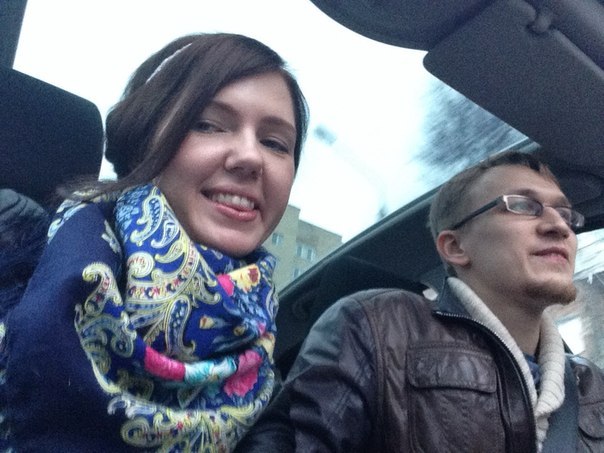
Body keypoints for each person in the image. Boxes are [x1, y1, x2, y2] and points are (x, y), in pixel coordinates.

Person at [3, 32, 308, 452]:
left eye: (275, 144)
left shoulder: (271, 397)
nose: (250, 157)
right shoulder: (13, 252)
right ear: (145, 137)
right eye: (208, 125)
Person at [238, 150, 604, 452]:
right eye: (523, 205)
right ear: (455, 247)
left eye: (565, 214)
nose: (559, 226)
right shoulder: (377, 327)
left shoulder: (591, 385)